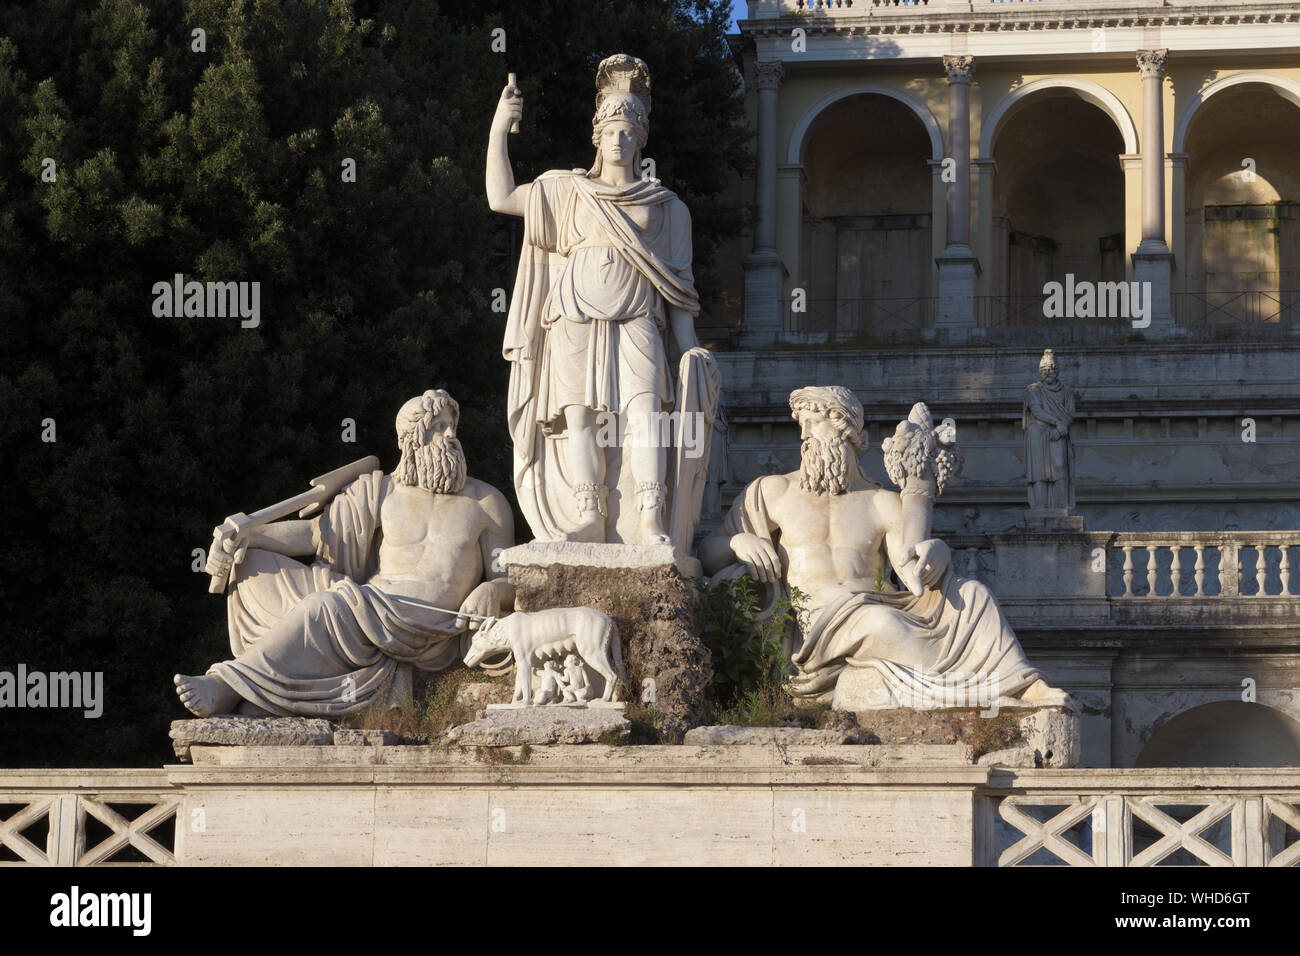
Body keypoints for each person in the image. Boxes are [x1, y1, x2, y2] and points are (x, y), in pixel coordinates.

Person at [700, 386, 1067, 708]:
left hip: (878, 605)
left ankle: (1021, 684)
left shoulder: (880, 501)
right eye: (802, 425)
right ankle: (982, 690)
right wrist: (737, 541)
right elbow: (707, 554)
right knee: (880, 622)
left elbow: (912, 571)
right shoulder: (772, 491)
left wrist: (936, 553)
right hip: (816, 623)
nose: (805, 435)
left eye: (814, 423)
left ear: (844, 429)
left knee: (973, 593)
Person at [174, 390, 515, 718]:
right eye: (439, 426)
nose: (451, 434)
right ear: (411, 439)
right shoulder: (379, 492)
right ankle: (274, 691)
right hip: (370, 603)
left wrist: (492, 590)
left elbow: (509, 578)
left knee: (324, 607)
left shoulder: (488, 503)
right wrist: (248, 534)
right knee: (252, 562)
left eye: (453, 425)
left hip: (427, 624)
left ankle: (228, 685)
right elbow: (314, 534)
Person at [487, 54, 713, 546]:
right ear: (596, 135)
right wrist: (500, 128)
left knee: (646, 415)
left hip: (637, 317)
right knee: (580, 418)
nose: (618, 138)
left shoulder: (668, 208)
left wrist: (691, 350)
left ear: (641, 139)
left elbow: (677, 291)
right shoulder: (565, 190)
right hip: (572, 315)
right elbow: (500, 198)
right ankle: (589, 516)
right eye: (610, 128)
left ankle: (650, 517)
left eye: (628, 130)